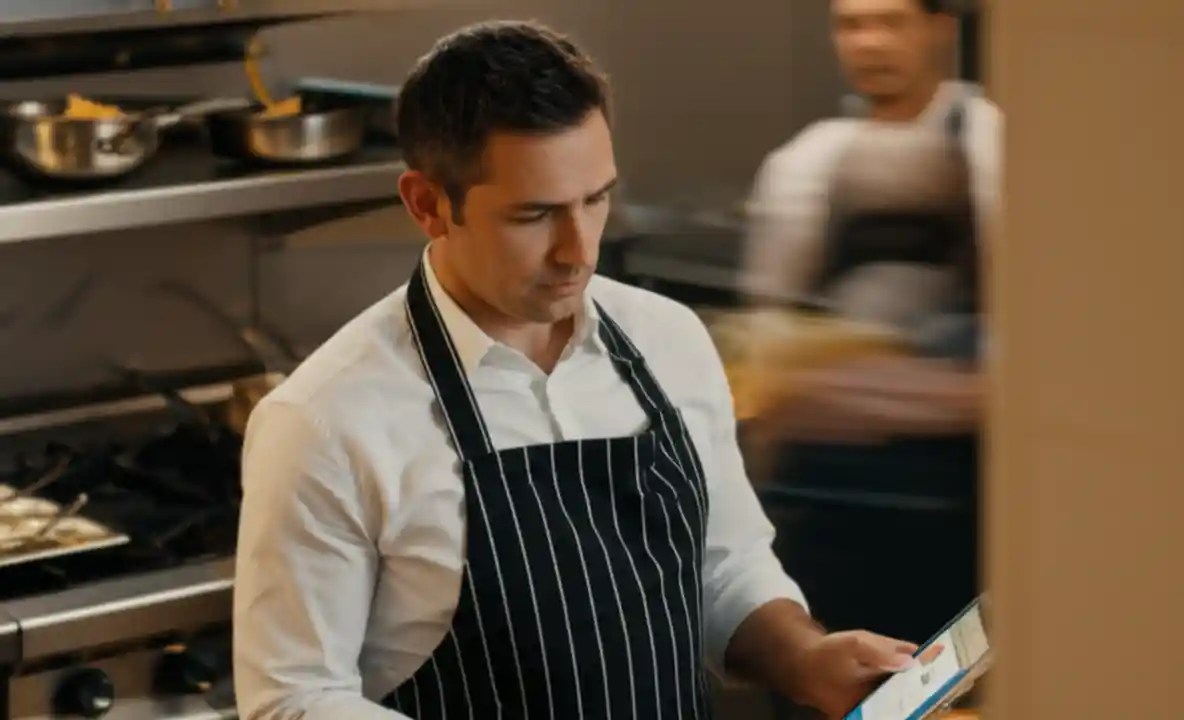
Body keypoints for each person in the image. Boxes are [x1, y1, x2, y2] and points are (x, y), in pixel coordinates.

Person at [233, 20, 920, 720]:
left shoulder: (669, 340)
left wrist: (803, 659)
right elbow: (293, 698)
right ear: (428, 205)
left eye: (595, 199)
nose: (578, 251)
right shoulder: (323, 422)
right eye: (534, 215)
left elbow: (724, 566)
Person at [741, 0, 1001, 444]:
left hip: (961, 405)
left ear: (940, 30)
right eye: (851, 26)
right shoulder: (807, 158)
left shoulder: (989, 138)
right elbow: (772, 306)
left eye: (892, 23)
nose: (870, 44)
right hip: (840, 414)